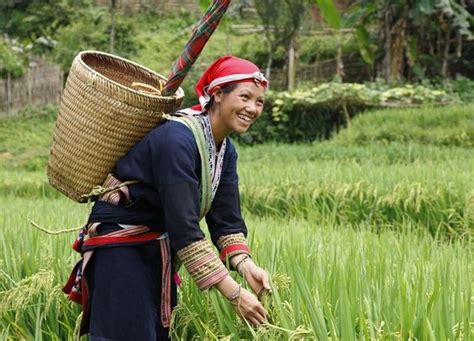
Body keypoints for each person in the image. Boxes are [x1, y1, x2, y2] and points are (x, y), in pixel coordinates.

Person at [63, 55, 272, 340]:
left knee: (156, 334)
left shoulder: (225, 150)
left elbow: (226, 219)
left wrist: (247, 267)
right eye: (245, 97)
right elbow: (184, 226)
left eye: (259, 101)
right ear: (218, 95)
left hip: (157, 247)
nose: (252, 108)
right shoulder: (176, 139)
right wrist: (234, 294)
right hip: (122, 246)